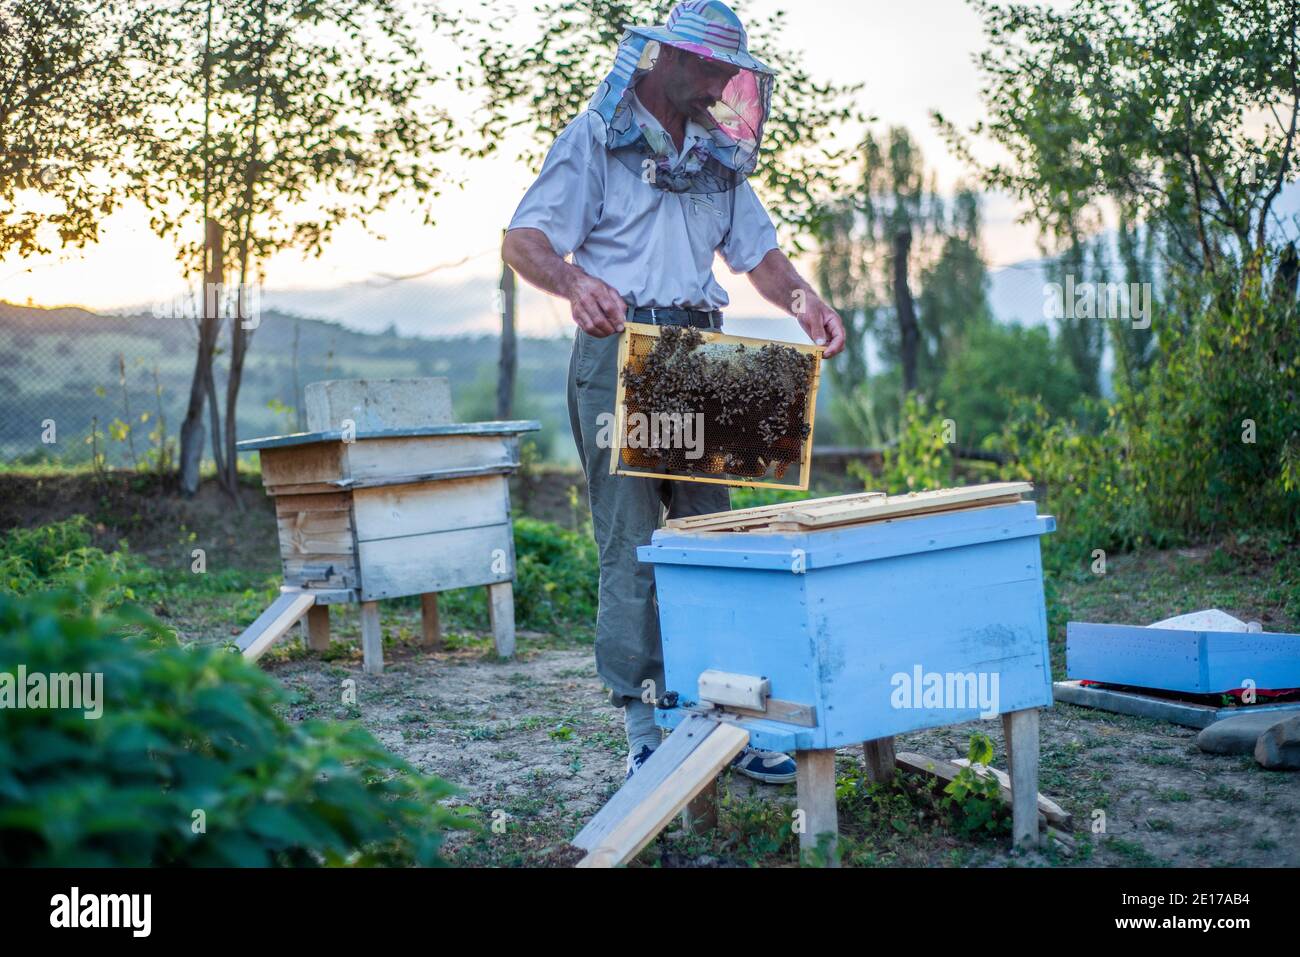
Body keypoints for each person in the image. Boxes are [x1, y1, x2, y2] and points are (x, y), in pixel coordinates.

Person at [502, 0, 845, 783]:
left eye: (734, 73)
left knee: (713, 543)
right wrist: (573, 280)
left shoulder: (720, 157)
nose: (726, 85)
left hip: (699, 356)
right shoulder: (594, 138)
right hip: (615, 349)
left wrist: (809, 303)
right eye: (716, 69)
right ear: (669, 60)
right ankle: (646, 731)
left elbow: (762, 259)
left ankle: (730, 720)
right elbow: (524, 238)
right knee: (632, 544)